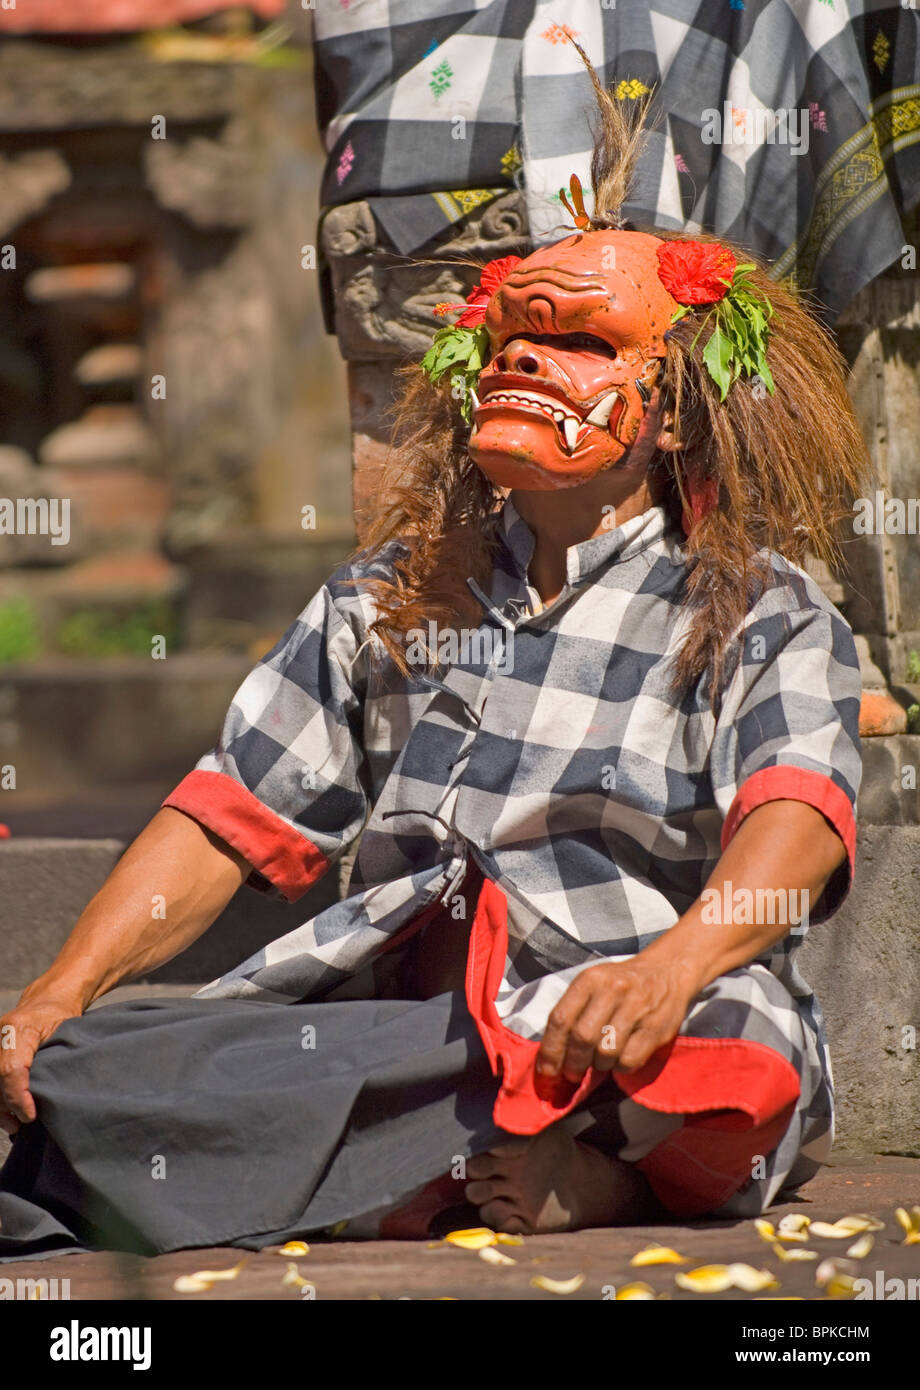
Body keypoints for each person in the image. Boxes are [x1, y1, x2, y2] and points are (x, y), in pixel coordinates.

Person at [0, 64, 870, 1254]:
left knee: (743, 1039)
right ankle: (445, 1167)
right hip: (414, 1044)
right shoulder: (382, 599)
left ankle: (587, 1177)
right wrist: (59, 991)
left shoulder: (762, 610)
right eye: (512, 337)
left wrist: (666, 969)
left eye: (579, 344)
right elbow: (229, 814)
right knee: (100, 1062)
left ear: (670, 410)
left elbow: (801, 818)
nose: (524, 361)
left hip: (618, 1021)